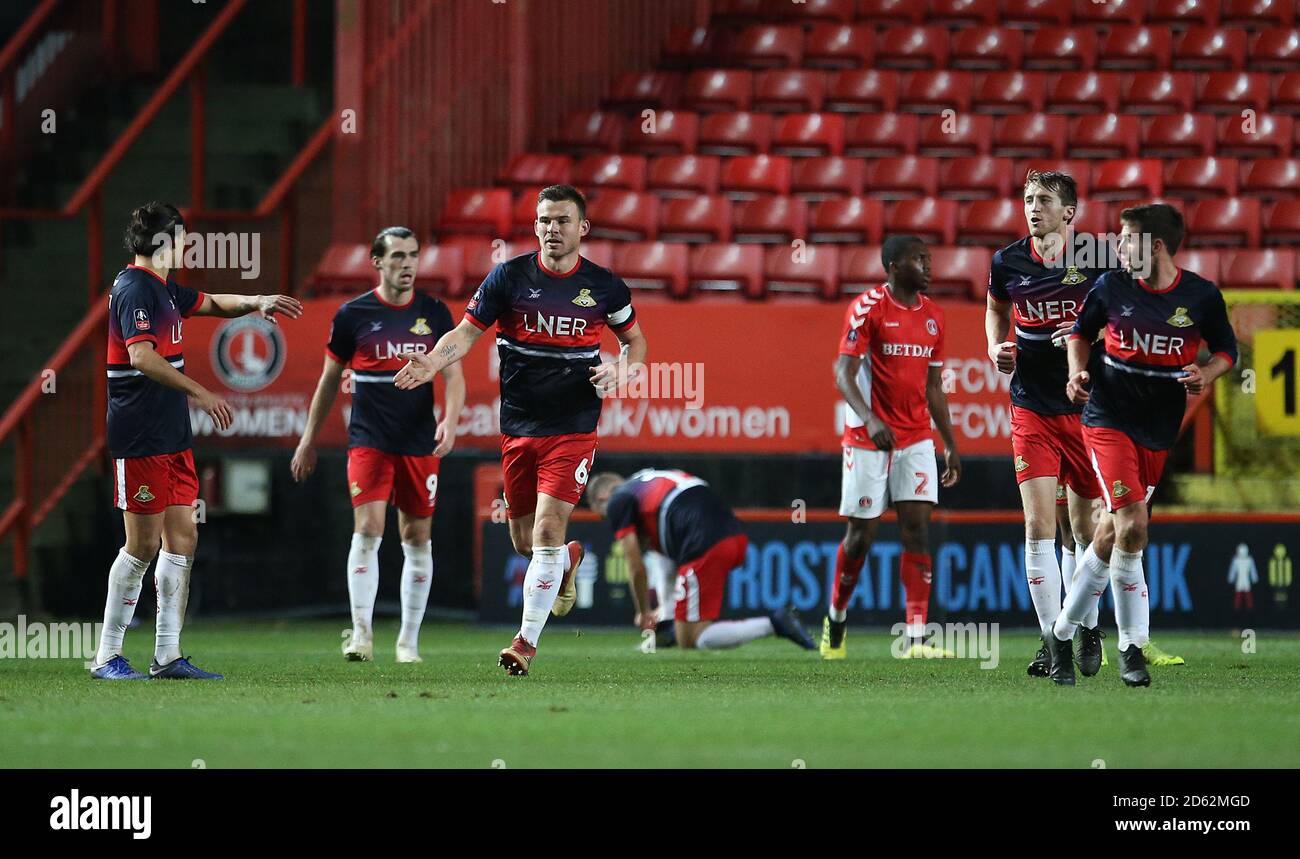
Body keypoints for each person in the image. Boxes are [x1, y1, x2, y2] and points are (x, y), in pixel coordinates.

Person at [394, 185, 647, 676]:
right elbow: (466, 333)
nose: (553, 229)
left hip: (573, 426)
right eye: (545, 220)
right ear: (535, 226)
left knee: (548, 529)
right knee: (526, 544)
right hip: (517, 427)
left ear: (582, 228)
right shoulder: (507, 278)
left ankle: (523, 645)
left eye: (563, 220)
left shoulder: (605, 286)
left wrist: (623, 371)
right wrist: (432, 362)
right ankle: (568, 561)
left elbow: (635, 343)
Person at [91, 201, 303, 680]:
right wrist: (202, 393)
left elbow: (210, 302)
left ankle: (167, 655)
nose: (187, 247)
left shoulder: (164, 290)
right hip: (140, 434)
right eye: (183, 239)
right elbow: (142, 357)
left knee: (183, 537)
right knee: (141, 545)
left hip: (172, 436)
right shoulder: (133, 289)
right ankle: (106, 655)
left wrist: (258, 302)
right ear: (164, 242)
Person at [1049, 203, 1238, 687]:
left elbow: (1227, 352)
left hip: (1158, 430)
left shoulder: (1200, 297)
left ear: (1154, 246)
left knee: (1113, 534)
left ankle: (1061, 632)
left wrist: (1206, 372)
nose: (1117, 247)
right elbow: (1079, 334)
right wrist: (1076, 372)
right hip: (1108, 419)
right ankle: (1132, 646)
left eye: (1126, 238)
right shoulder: (1112, 287)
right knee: (1134, 522)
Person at [291, 226, 463, 663]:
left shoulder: (435, 313)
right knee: (367, 530)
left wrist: (451, 420)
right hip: (369, 440)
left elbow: (454, 375)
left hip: (418, 442)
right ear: (378, 261)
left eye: (413, 256)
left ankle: (408, 643)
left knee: (416, 536)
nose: (408, 265)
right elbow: (329, 379)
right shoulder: (353, 314)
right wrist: (309, 439)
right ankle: (362, 636)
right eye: (399, 256)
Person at [986, 171, 1109, 677]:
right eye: (1028, 200)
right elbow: (995, 310)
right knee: (1038, 526)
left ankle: (1087, 626)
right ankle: (1050, 643)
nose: (1033, 208)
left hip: (1085, 409)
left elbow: (1126, 325)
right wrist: (994, 347)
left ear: (1070, 214)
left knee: (1084, 529)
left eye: (1044, 201)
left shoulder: (1098, 261)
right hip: (1031, 407)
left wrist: (1087, 340)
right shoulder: (1006, 261)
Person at [821, 235, 962, 661]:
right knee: (861, 535)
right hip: (868, 438)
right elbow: (842, 373)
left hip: (916, 436)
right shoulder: (867, 308)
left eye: (929, 258)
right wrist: (870, 419)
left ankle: (915, 638)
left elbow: (934, 386)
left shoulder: (934, 317)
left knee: (917, 528)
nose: (928, 265)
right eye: (919, 259)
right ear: (894, 266)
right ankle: (837, 619)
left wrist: (950, 444)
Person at [585, 469, 817, 651]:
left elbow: (636, 566)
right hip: (733, 535)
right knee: (683, 625)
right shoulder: (648, 481)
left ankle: (775, 623)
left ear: (603, 498)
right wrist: (665, 611)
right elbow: (662, 557)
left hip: (705, 543)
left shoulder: (618, 500)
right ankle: (668, 626)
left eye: (601, 514)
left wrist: (643, 611)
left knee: (692, 638)